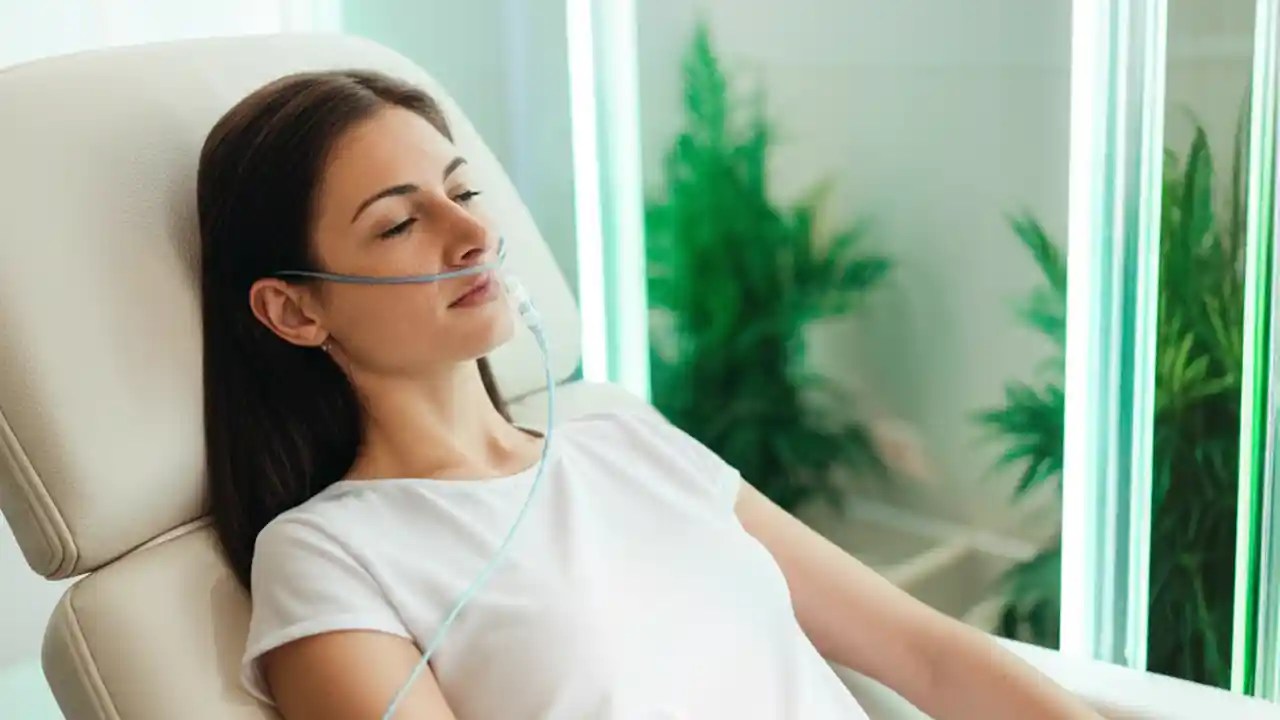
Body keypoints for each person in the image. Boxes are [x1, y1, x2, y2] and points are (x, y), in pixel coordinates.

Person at [198, 69, 1099, 720]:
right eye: (400, 222)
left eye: (464, 191)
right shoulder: (330, 553)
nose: (473, 233)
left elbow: (928, 658)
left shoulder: (621, 441)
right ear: (294, 309)